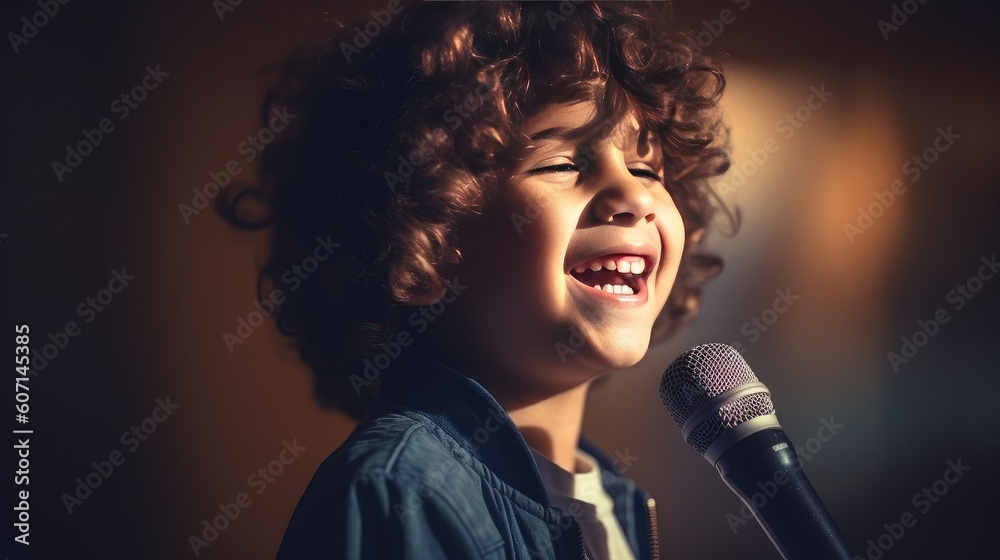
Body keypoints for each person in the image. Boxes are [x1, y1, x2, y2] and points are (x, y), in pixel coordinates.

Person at [222, 2, 731, 558]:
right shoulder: (400, 492)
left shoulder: (613, 507)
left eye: (645, 169)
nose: (633, 196)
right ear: (425, 245)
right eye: (562, 163)